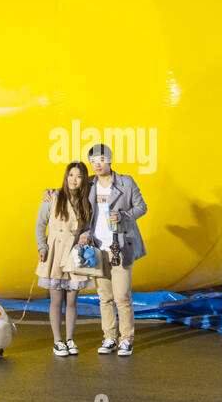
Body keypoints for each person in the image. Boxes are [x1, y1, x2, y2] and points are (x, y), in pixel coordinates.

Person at [77, 144, 147, 356]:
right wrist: (48, 192)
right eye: (93, 161)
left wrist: (123, 215)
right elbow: (69, 195)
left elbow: (141, 207)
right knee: (104, 296)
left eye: (101, 159)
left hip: (120, 247)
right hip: (98, 248)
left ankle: (126, 339)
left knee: (122, 296)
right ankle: (109, 337)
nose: (97, 164)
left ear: (109, 159)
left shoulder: (126, 182)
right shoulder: (88, 184)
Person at [35, 162, 94, 355]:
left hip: (73, 253)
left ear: (84, 179)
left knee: (71, 300)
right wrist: (42, 246)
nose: (73, 180)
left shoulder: (86, 202)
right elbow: (40, 225)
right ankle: (57, 340)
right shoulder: (53, 197)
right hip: (54, 252)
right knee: (56, 299)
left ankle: (69, 339)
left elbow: (87, 228)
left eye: (78, 176)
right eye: (70, 175)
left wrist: (86, 236)